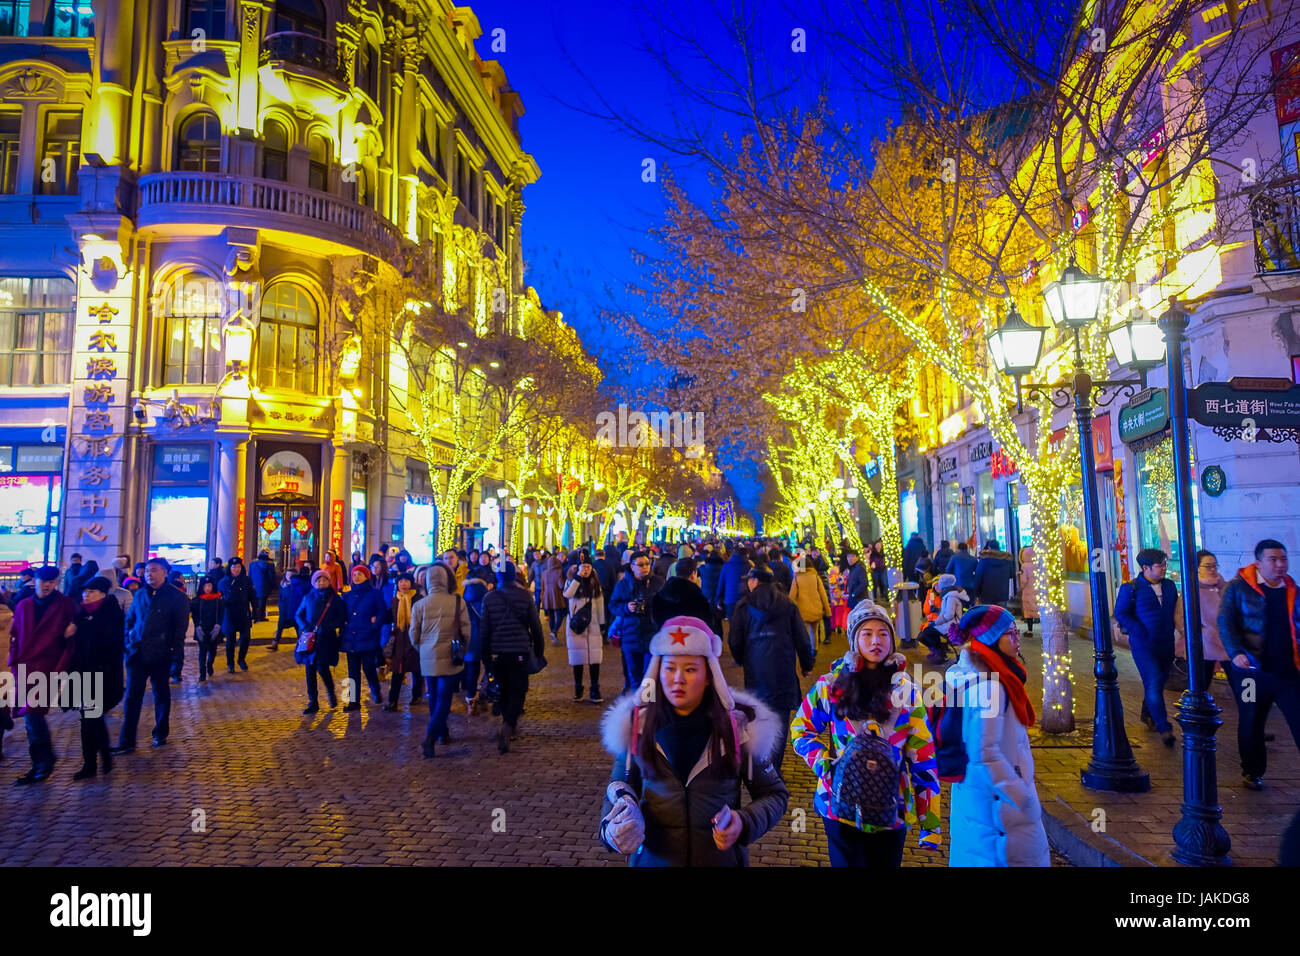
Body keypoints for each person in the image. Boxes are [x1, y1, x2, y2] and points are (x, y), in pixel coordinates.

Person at [598, 615, 788, 866]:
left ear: (709, 675)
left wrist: (743, 822)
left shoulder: (739, 728)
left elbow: (774, 794)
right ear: (657, 672)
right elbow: (619, 787)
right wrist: (612, 830)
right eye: (669, 668)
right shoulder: (638, 726)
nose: (678, 679)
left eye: (690, 669)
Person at [790, 601, 942, 866]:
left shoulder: (907, 692)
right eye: (867, 633)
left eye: (883, 633)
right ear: (854, 640)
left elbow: (924, 758)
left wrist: (930, 823)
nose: (876, 641)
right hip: (839, 807)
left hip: (892, 810)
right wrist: (827, 765)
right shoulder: (831, 686)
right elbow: (801, 730)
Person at [946, 605, 1051, 866]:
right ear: (991, 639)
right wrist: (1021, 797)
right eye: (1010, 633)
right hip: (999, 816)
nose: (1017, 639)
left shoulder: (984, 675)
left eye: (1016, 631)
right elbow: (985, 755)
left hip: (981, 805)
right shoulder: (990, 685)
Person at [1218, 539, 1300, 791]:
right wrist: (1235, 653)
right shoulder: (1238, 589)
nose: (1279, 565)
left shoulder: (1292, 589)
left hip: (1288, 673)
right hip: (1252, 674)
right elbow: (1226, 623)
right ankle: (1252, 771)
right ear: (1258, 562)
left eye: (1283, 559)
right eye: (1273, 559)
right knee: (1251, 720)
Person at [728, 567, 815, 771]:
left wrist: (741, 659)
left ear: (755, 581)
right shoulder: (787, 604)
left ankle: (759, 766)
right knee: (780, 722)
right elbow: (801, 638)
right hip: (783, 671)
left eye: (748, 580)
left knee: (757, 717)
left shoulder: (744, 606)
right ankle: (772, 768)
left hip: (756, 674)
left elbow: (735, 640)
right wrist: (807, 665)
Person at [8, 566, 77, 784]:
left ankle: (43, 763)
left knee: (33, 714)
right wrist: (13, 662)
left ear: (57, 582)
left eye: (51, 581)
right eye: (43, 581)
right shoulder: (24, 605)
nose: (46, 585)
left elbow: (72, 639)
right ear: (34, 581)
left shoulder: (65, 605)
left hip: (48, 666)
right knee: (30, 717)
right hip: (24, 667)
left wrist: (61, 667)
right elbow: (15, 635)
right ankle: (40, 762)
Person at [114, 558, 189, 753]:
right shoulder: (140, 594)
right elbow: (130, 621)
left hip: (160, 655)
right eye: (147, 570)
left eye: (154, 570)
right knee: (132, 697)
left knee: (161, 694)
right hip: (137, 653)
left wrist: (173, 654)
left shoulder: (176, 597)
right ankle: (127, 741)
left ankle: (160, 733)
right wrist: (128, 642)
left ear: (165, 572)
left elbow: (179, 630)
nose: (149, 574)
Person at [1113, 548, 1182, 747]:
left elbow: (1175, 612)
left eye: (1165, 565)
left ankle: (1147, 714)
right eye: (1160, 565)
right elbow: (1121, 613)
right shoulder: (1132, 588)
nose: (1164, 569)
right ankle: (1164, 726)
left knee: (1158, 682)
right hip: (1143, 644)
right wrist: (1139, 629)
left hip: (1166, 642)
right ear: (1146, 568)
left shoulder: (1169, 586)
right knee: (1153, 681)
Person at [480, 560, 545, 753]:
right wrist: (539, 650)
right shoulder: (525, 596)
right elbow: (535, 626)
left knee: (503, 688)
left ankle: (506, 720)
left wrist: (485, 655)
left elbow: (485, 629)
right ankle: (509, 723)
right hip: (519, 650)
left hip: (497, 651)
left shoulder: (489, 598)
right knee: (518, 690)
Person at [408, 564, 469, 755]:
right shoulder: (457, 602)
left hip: (428, 656)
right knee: (444, 698)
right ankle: (432, 736)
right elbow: (467, 632)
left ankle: (441, 733)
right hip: (451, 656)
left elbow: (413, 635)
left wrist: (423, 649)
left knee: (434, 697)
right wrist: (462, 650)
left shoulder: (419, 605)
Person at [69, 577, 124, 780]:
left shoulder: (110, 613)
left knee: (91, 718)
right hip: (83, 673)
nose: (86, 594)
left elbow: (112, 644)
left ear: (102, 594)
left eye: (91, 591)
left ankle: (95, 762)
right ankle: (95, 761)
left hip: (103, 674)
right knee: (88, 719)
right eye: (85, 592)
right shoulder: (81, 613)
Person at [609, 550, 663, 694]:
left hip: (652, 635)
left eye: (647, 563)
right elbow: (613, 605)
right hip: (631, 636)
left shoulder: (658, 582)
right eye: (640, 565)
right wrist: (626, 607)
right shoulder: (623, 585)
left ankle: (647, 710)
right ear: (632, 566)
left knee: (649, 677)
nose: (645, 567)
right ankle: (637, 709)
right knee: (634, 677)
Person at [295, 570, 346, 715]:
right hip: (310, 639)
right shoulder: (308, 597)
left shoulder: (334, 599)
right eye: (318, 580)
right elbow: (299, 614)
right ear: (314, 582)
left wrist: (329, 627)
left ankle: (330, 692)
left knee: (323, 668)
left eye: (324, 580)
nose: (321, 583)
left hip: (326, 639)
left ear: (329, 582)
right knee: (309, 671)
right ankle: (313, 701)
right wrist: (305, 627)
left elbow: (341, 617)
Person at [340, 565, 387, 710]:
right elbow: (342, 614)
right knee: (352, 671)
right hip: (351, 637)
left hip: (368, 636)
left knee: (368, 668)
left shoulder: (374, 594)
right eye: (355, 574)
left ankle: (375, 689)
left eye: (360, 574)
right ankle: (354, 701)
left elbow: (382, 612)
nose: (357, 576)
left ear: (367, 576)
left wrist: (374, 626)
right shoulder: (346, 596)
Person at [563, 552, 604, 704]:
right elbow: (567, 594)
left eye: (588, 567)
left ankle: (595, 688)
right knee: (577, 659)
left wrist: (602, 623)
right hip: (576, 626)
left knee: (595, 659)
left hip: (592, 625)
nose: (585, 570)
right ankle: (578, 688)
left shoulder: (595, 583)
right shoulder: (571, 581)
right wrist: (577, 579)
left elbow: (600, 603)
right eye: (583, 567)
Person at [384, 574, 425, 710]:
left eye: (406, 581)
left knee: (417, 670)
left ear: (411, 583)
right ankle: (392, 701)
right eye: (400, 581)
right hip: (399, 640)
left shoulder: (419, 599)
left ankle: (416, 695)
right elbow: (389, 617)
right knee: (397, 671)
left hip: (415, 639)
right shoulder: (395, 600)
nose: (403, 584)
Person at [1188, 550, 1229, 688]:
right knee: (1201, 687)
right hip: (1205, 646)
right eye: (1208, 566)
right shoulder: (1191, 590)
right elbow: (1182, 619)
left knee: (1244, 686)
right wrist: (1204, 632)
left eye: (1215, 565)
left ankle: (1250, 706)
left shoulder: (1225, 586)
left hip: (1228, 643)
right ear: (1197, 567)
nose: (1213, 569)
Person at [917, 573, 968, 664]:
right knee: (924, 633)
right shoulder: (948, 595)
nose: (938, 587)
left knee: (927, 633)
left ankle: (940, 654)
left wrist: (935, 622)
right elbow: (945, 612)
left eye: (939, 584)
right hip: (950, 623)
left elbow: (948, 616)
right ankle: (939, 651)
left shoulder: (951, 596)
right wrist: (936, 611)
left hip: (953, 625)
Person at [218, 557, 256, 674]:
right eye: (234, 567)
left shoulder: (246, 580)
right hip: (229, 614)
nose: (236, 569)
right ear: (230, 568)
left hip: (243, 613)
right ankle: (230, 663)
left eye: (238, 567)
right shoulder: (224, 581)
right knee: (230, 641)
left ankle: (241, 659)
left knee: (245, 638)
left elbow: (252, 596)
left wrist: (255, 610)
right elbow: (219, 599)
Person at [190, 577, 223, 682]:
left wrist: (218, 625)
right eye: (205, 586)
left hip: (214, 628)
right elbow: (194, 615)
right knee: (202, 651)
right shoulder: (197, 600)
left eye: (209, 586)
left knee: (213, 651)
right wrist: (197, 627)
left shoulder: (218, 600)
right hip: (202, 628)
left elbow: (221, 614)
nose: (207, 588)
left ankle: (210, 664)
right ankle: (202, 672)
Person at [272, 567, 310, 652]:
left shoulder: (296, 585)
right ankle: (275, 642)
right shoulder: (283, 585)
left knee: (297, 628)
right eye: (287, 575)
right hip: (284, 610)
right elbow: (280, 597)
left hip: (294, 610)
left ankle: (300, 644)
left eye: (291, 575)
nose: (289, 576)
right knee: (280, 626)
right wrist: (280, 605)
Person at [973, 539, 1015, 607]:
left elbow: (978, 577)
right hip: (1002, 594)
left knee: (989, 615)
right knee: (1001, 615)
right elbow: (1011, 575)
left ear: (989, 548)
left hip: (987, 595)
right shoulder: (1007, 559)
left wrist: (976, 594)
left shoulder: (984, 560)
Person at [540, 553, 567, 645]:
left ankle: (553, 635)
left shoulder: (544, 573)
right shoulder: (559, 572)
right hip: (557, 596)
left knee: (551, 616)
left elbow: (542, 586)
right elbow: (561, 585)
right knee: (560, 615)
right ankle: (554, 632)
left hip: (547, 596)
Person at [718, 546, 750, 622]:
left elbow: (721, 584)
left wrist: (719, 599)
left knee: (733, 626)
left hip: (730, 599)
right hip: (746, 599)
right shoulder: (750, 565)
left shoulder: (726, 566)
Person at [250, 550, 277, 623]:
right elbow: (271, 576)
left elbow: (250, 575)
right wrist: (275, 586)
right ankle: (261, 616)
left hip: (254, 585)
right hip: (265, 585)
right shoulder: (270, 564)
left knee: (255, 602)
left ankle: (255, 615)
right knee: (263, 602)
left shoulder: (252, 564)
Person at [1018, 546, 1039, 632]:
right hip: (1037, 590)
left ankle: (1030, 630)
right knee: (1037, 607)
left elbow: (1024, 580)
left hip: (1028, 591)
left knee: (1028, 611)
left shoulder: (1024, 566)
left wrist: (1021, 587)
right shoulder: (1038, 564)